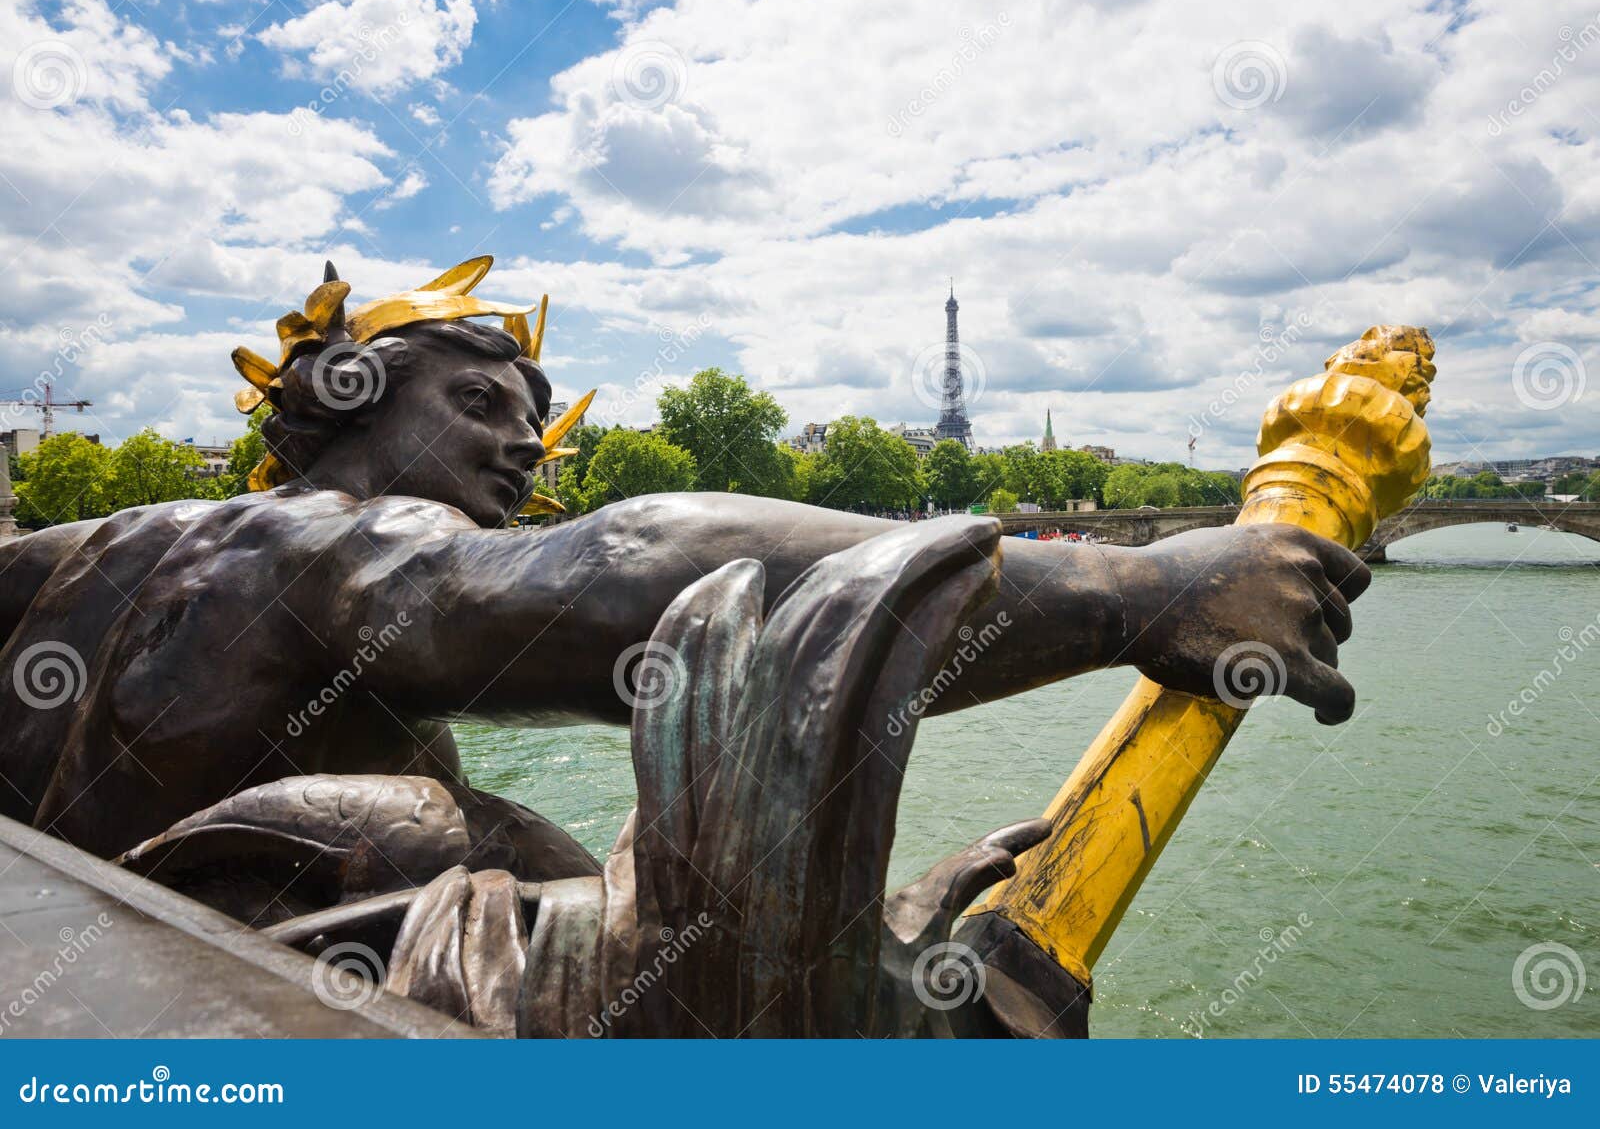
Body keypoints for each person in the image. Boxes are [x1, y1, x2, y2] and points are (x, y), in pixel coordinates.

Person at [0, 258, 1369, 858]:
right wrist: (1144, 588)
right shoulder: (318, 548)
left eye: (539, 422)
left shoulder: (84, 557)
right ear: (353, 390)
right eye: (483, 406)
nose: (529, 449)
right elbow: (648, 571)